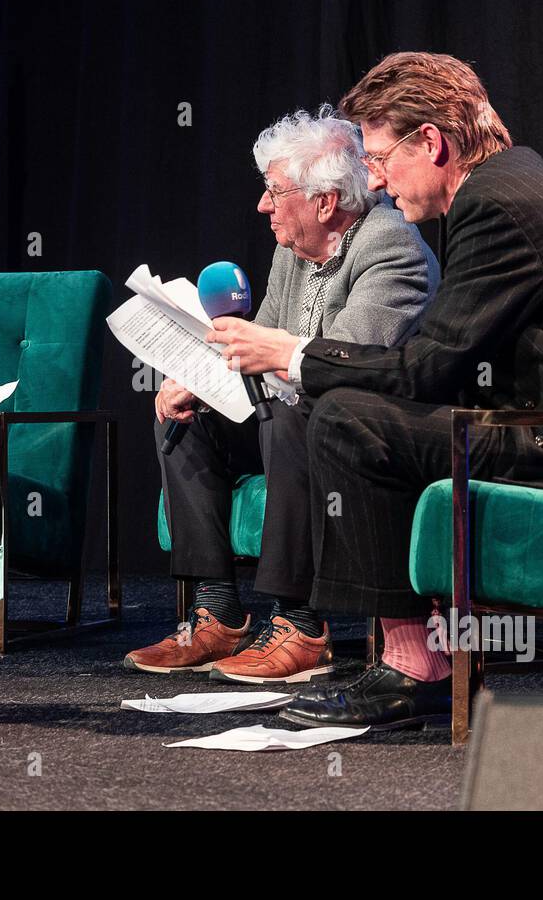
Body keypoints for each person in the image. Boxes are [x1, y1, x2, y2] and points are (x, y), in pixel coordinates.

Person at [207, 53, 543, 726]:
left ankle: (414, 668)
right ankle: (427, 647)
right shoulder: (508, 185)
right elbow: (444, 361)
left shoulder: (496, 203)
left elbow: (428, 368)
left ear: (432, 142)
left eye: (378, 158)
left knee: (349, 419)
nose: (371, 180)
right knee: (361, 407)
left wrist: (296, 354)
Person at [124, 106, 439, 684]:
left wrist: (271, 361)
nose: (263, 206)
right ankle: (216, 611)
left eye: (275, 191)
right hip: (289, 423)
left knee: (289, 411)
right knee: (182, 417)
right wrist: (195, 378)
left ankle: (301, 625)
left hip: (364, 438)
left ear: (324, 202)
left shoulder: (392, 250)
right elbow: (257, 352)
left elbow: (349, 361)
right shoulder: (293, 251)